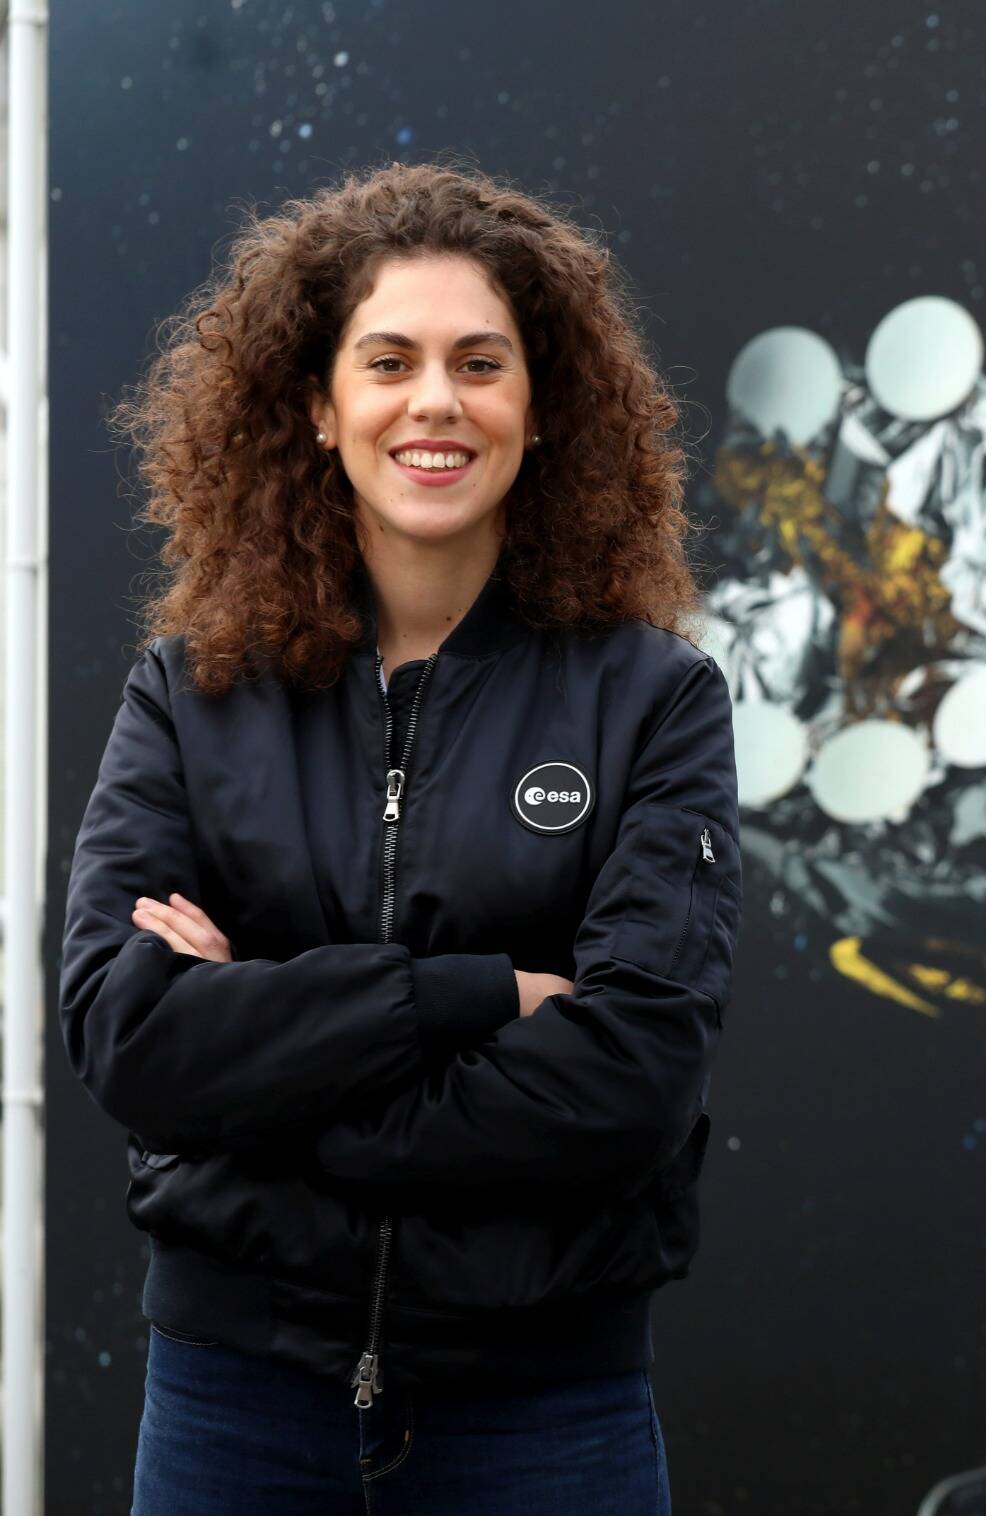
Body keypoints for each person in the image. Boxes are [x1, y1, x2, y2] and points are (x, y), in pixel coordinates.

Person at [58, 159, 740, 1514]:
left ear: (541, 408)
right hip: (234, 1412)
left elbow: (631, 1079)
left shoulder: (654, 699)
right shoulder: (193, 694)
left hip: (548, 1418)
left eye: (480, 363)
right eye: (389, 362)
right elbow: (128, 1035)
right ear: (320, 407)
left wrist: (263, 1094)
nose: (436, 401)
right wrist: (470, 995)